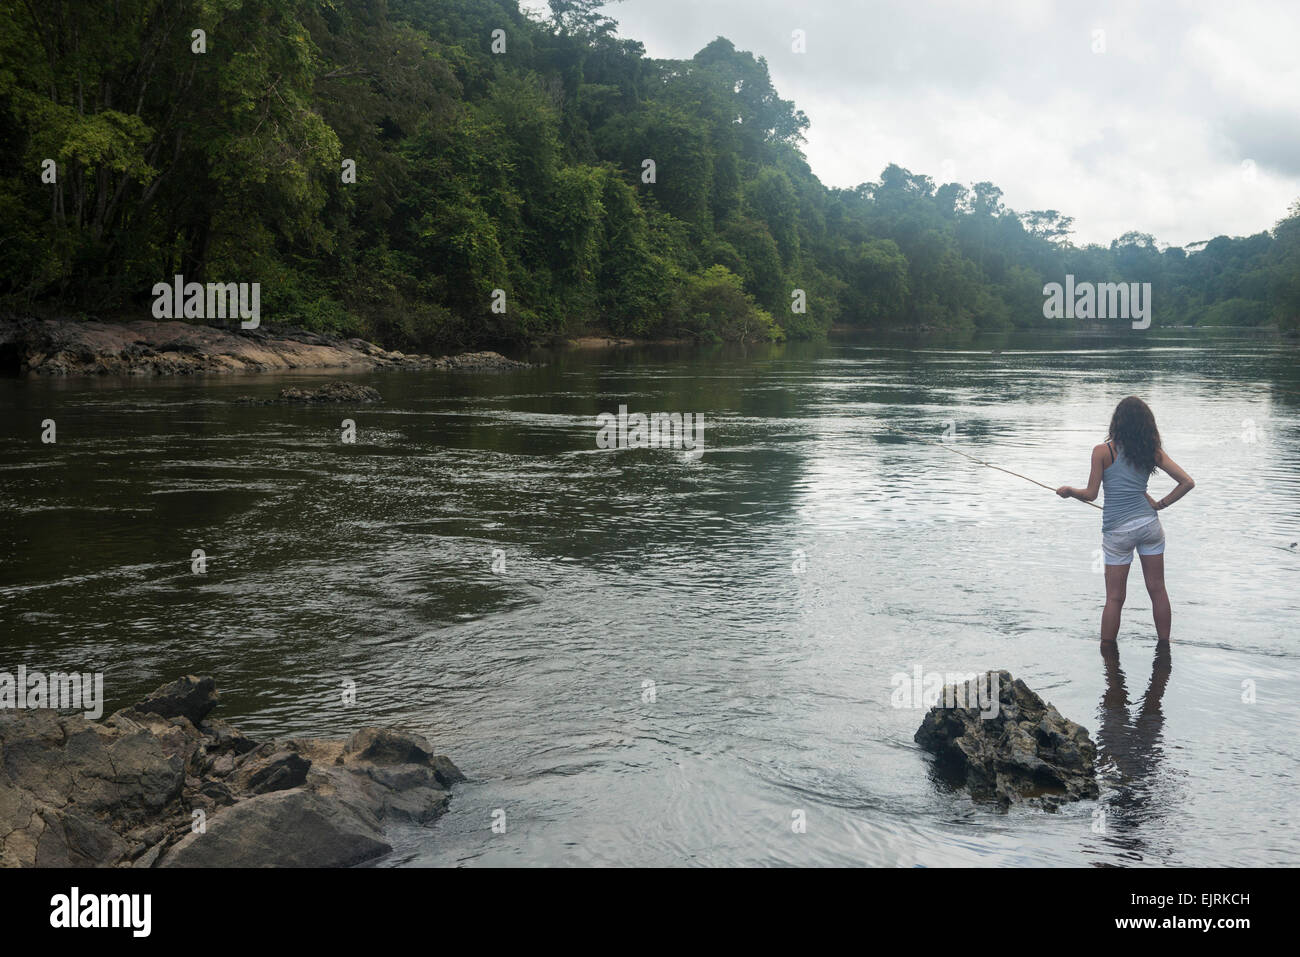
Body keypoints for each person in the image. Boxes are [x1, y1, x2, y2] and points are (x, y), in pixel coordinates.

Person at [1056, 396, 1195, 643]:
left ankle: (1107, 655)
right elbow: (1187, 482)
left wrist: (1069, 492)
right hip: (1149, 525)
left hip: (1117, 531)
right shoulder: (1151, 451)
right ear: (1146, 424)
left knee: (1114, 598)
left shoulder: (1103, 451)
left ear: (1117, 422)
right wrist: (1160, 504)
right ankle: (1165, 646)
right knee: (1158, 590)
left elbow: (1090, 494)